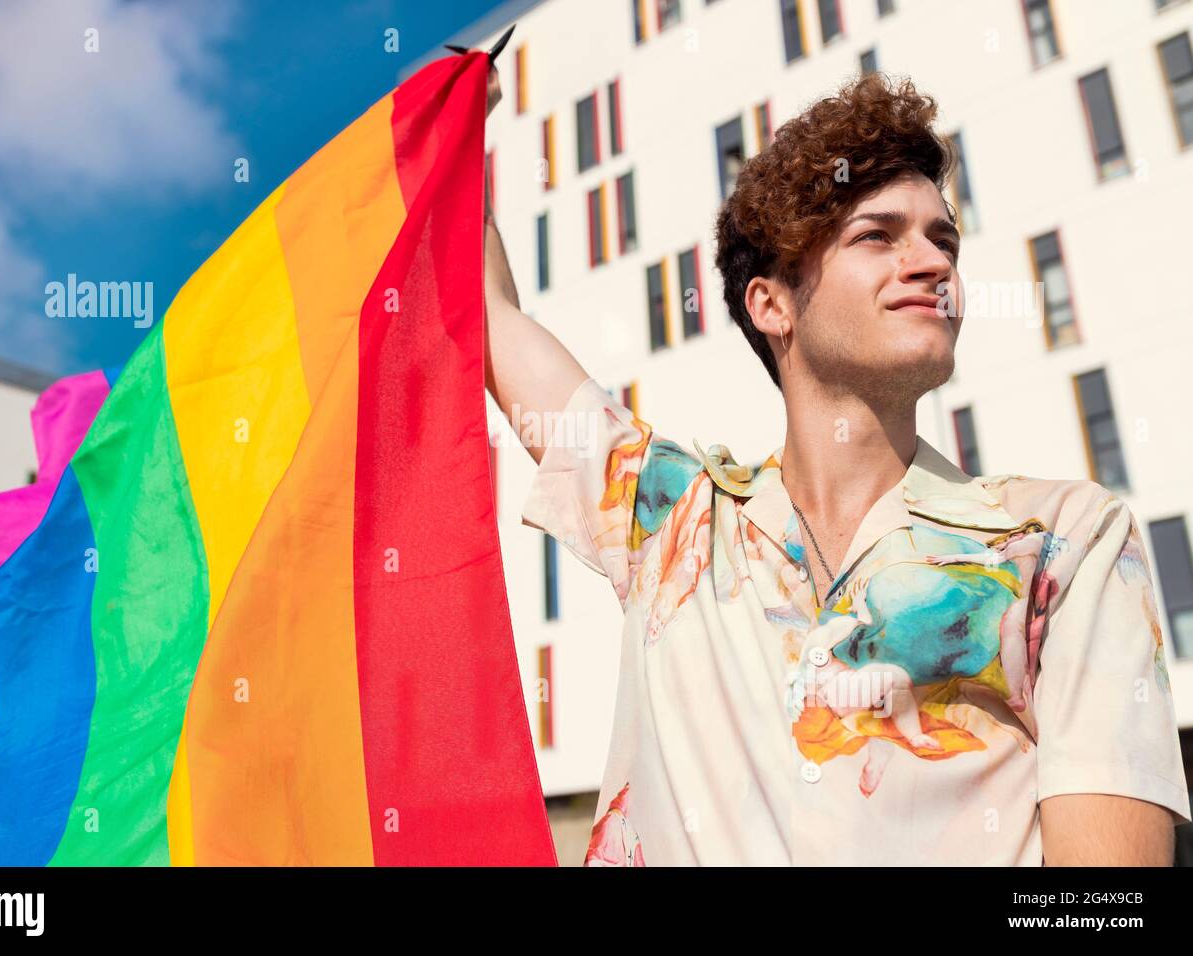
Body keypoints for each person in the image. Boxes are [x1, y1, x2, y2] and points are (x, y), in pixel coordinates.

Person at [482, 65, 1190, 865]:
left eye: (942, 239)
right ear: (771, 304)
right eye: (877, 236)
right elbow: (492, 316)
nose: (933, 264)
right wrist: (453, 115)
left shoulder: (1062, 541)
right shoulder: (671, 522)